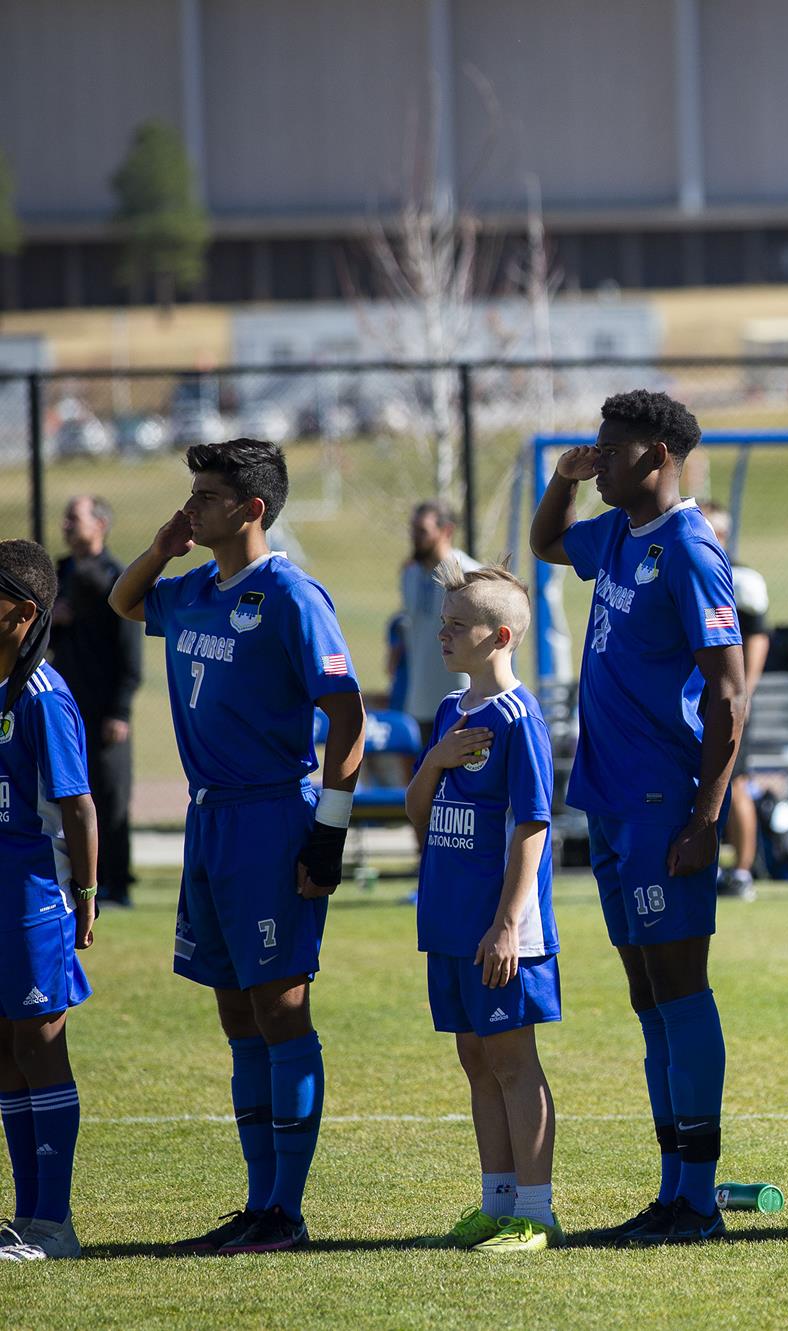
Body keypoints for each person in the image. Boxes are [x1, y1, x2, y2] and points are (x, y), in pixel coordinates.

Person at [108, 438, 365, 1255]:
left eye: (207, 496)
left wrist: (328, 833)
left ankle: (286, 1209)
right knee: (235, 1010)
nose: (192, 506)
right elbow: (124, 601)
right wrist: (161, 546)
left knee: (281, 1007)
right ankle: (257, 1203)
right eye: (191, 493)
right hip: (209, 820)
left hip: (270, 817)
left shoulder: (290, 594)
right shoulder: (191, 589)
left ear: (251, 509)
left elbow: (348, 714)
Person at [528, 391, 748, 1246]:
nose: (598, 462)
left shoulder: (690, 549)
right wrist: (563, 478)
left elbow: (729, 694)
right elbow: (547, 543)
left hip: (664, 803)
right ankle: (671, 1189)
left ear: (658, 454)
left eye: (610, 451)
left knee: (680, 989)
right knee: (647, 994)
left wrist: (706, 815)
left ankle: (697, 1198)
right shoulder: (618, 533)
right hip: (612, 800)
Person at [404, 565, 562, 1254]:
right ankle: (496, 1204)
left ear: (499, 637)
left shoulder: (519, 720)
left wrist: (506, 926)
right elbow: (418, 813)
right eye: (443, 621)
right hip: (449, 921)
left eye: (457, 624)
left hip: (502, 929)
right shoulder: (451, 712)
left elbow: (532, 827)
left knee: (512, 1060)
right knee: (474, 1056)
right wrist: (435, 760)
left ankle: (536, 1212)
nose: (443, 634)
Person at [0, 541, 98, 1262]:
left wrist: (86, 894)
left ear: (23, 613)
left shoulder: (42, 695)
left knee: (39, 1042)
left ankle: (54, 1223)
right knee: (5, 1047)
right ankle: (25, 1216)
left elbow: (79, 806)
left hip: (36, 896)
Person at [51, 495, 142, 908]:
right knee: (65, 791)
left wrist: (120, 710)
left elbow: (130, 654)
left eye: (75, 518)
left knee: (110, 794)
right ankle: (74, 876)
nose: (66, 526)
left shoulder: (117, 578)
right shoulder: (60, 574)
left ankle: (116, 884)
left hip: (104, 708)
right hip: (63, 705)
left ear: (100, 524)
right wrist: (50, 618)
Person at [703, 503, 770, 901]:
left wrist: (744, 693)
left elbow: (758, 639)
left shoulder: (742, 579)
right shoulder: (687, 570)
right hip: (693, 698)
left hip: (729, 696)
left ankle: (743, 870)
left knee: (735, 781)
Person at [395, 502, 479, 742]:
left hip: (462, 700)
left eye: (422, 531)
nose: (414, 537)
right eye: (413, 530)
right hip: (420, 701)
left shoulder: (469, 575)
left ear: (447, 530)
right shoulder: (410, 574)